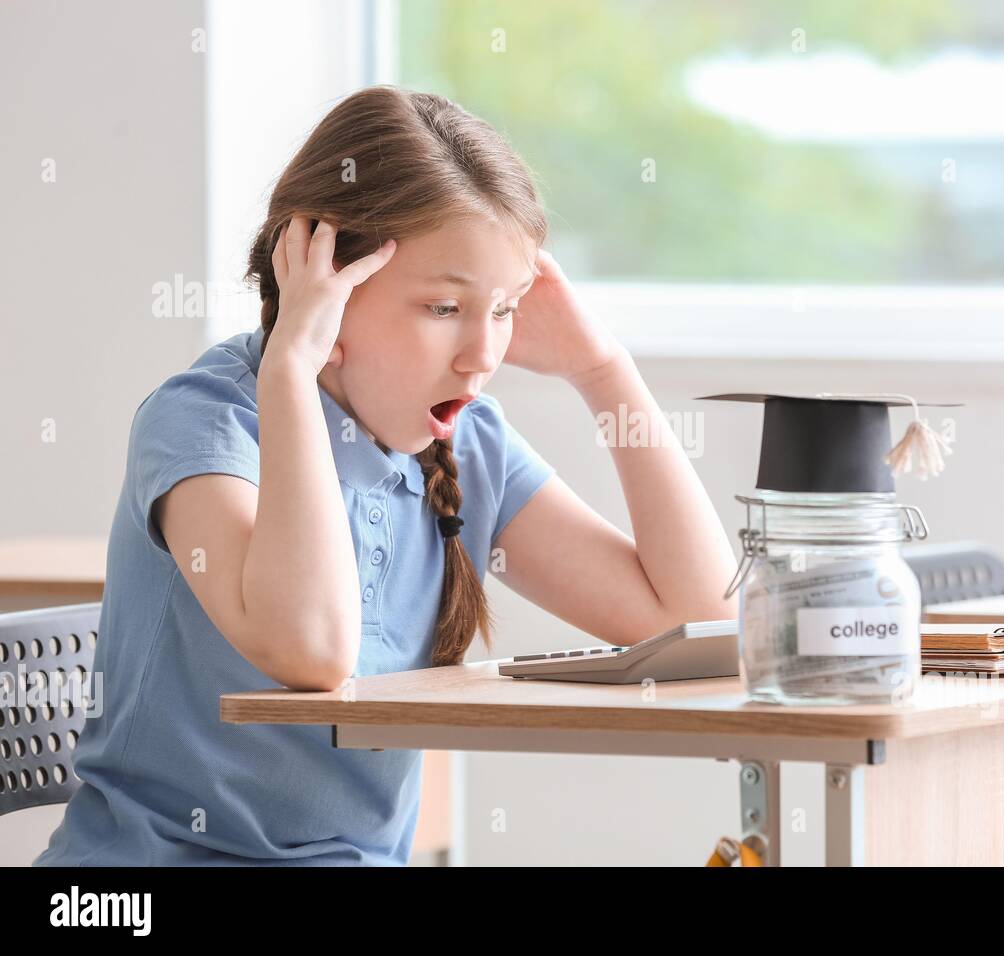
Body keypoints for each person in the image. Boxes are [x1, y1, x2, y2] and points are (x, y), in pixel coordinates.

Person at [34, 85, 737, 866]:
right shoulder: (205, 422)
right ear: (326, 279)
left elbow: (698, 620)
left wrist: (604, 370)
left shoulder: (467, 449)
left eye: (503, 309)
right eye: (443, 308)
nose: (483, 355)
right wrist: (291, 372)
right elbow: (311, 649)